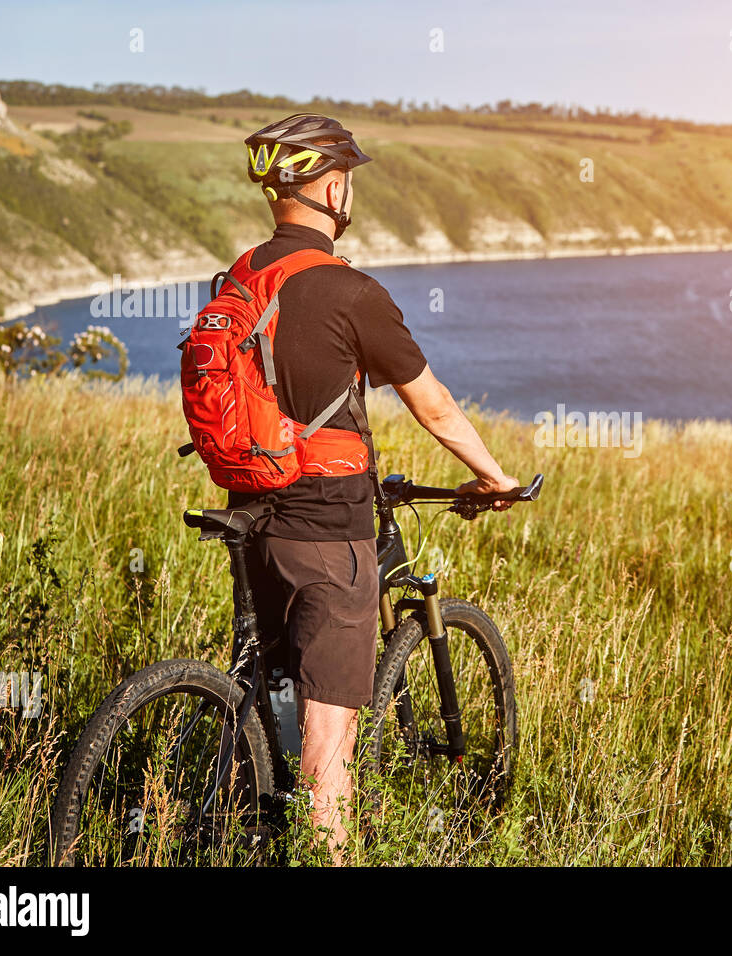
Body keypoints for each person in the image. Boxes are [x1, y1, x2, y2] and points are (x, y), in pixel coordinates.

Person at [233, 113, 518, 860]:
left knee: (275, 686)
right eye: (347, 179)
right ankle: (323, 846)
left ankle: (246, 794)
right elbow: (434, 406)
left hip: (248, 513)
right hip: (327, 528)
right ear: (332, 189)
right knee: (330, 744)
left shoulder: (237, 279)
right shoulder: (350, 291)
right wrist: (492, 477)